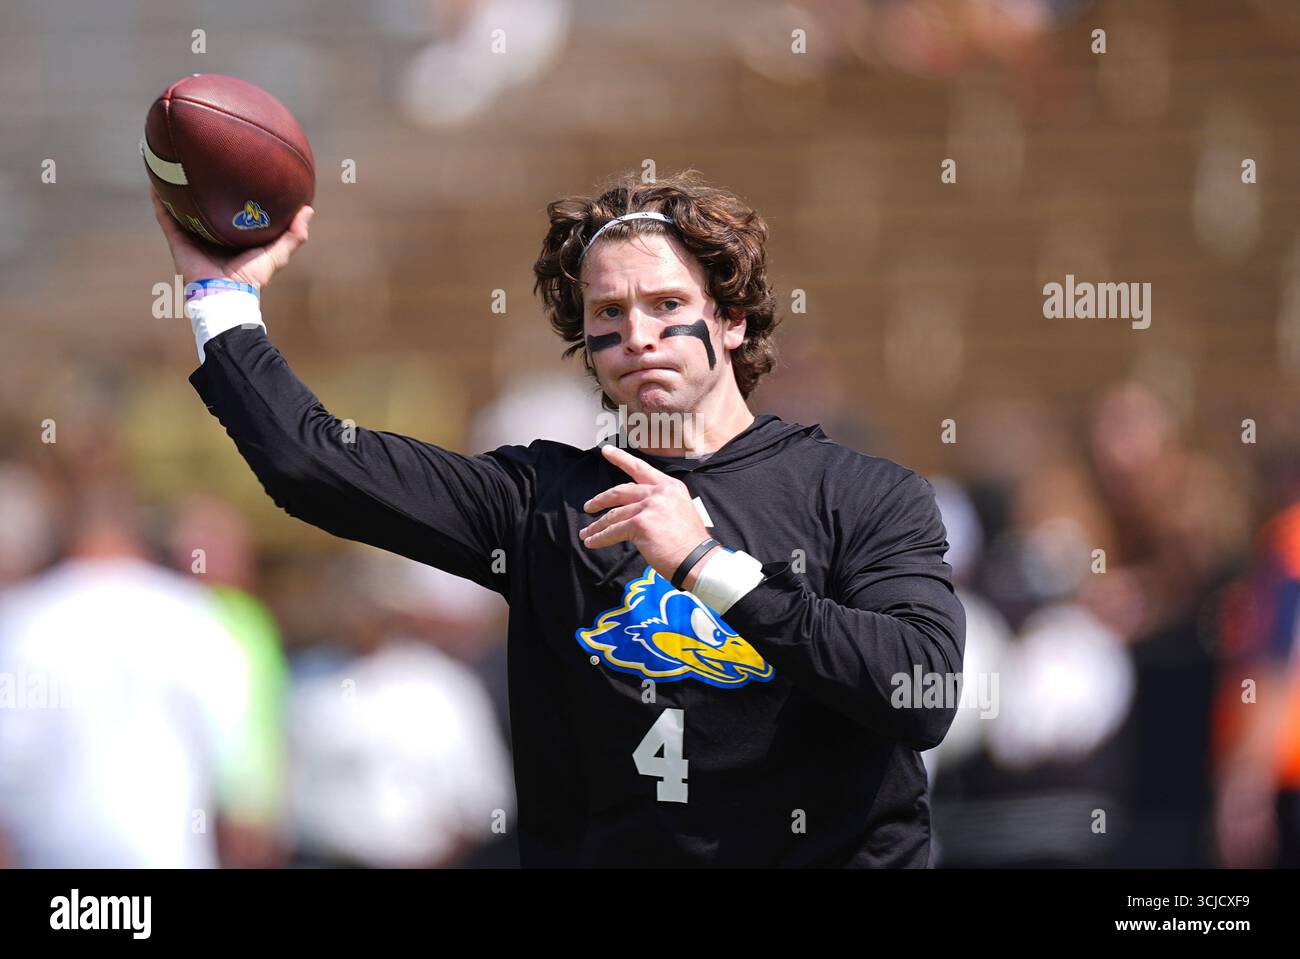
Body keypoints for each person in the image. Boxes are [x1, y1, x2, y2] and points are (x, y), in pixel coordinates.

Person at [150, 169, 965, 867]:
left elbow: (918, 692)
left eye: (667, 302)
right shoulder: (539, 498)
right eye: (607, 314)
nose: (637, 335)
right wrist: (223, 295)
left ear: (733, 316)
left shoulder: (861, 491)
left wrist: (703, 563)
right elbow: (315, 464)